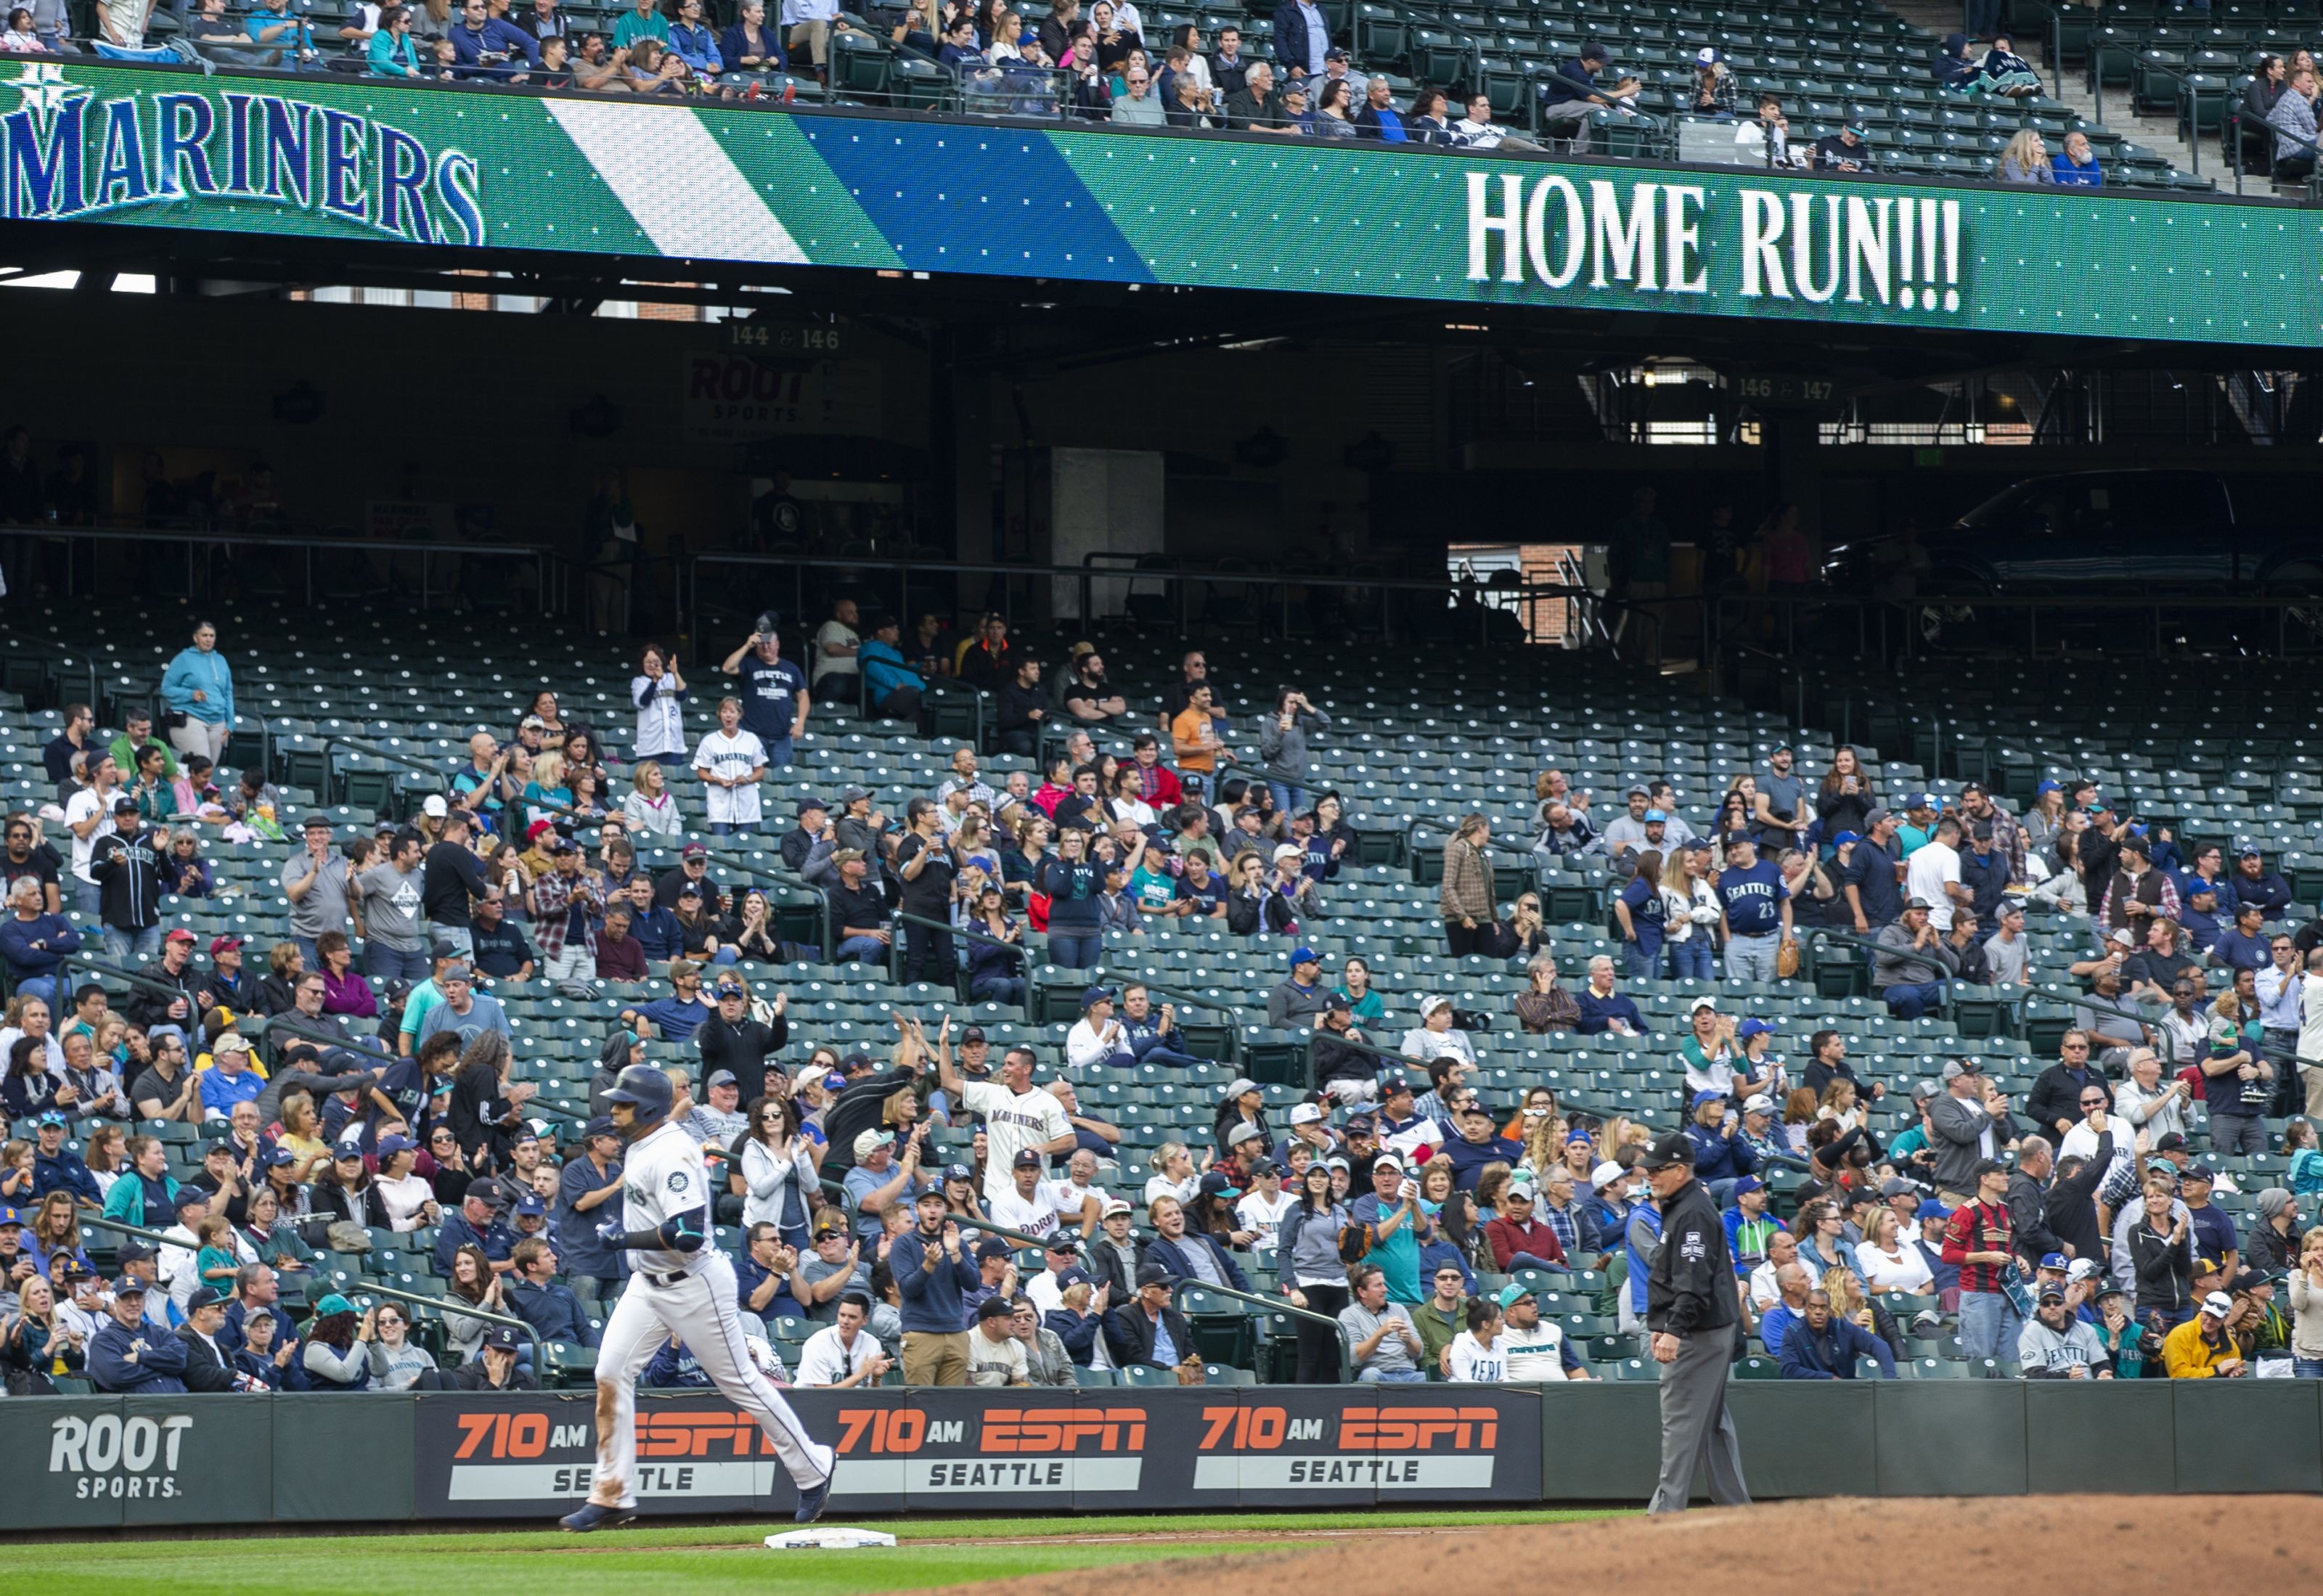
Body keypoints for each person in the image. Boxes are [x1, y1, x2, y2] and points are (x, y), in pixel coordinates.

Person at [559, 1065, 835, 1531]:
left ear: (647, 1109)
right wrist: (626, 1237)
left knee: (741, 1383)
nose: (615, 1110)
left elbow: (687, 1234)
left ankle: (813, 1467)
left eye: (624, 1103)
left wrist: (624, 1240)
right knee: (610, 1371)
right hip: (648, 1283)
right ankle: (612, 1493)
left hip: (693, 1282)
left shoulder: (672, 1151)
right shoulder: (642, 1142)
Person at [1636, 1131, 1748, 1515]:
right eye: (1648, 1169)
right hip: (1707, 1328)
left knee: (1681, 1422)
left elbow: (1693, 1281)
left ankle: (1664, 1516)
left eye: (1657, 1169)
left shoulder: (1692, 1212)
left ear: (1680, 1171)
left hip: (1698, 1332)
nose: (1650, 1175)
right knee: (1712, 1424)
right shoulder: (1683, 1205)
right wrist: (1662, 1322)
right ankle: (1738, 1512)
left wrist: (1674, 1329)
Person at [1339, 1262, 1425, 1383]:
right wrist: (1380, 1334)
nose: (1385, 1289)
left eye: (1384, 1284)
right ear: (1362, 1292)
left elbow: (1418, 1354)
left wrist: (1409, 1340)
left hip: (1409, 1373)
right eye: (1378, 1285)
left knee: (1430, 1379)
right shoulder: (1349, 1315)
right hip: (1378, 1373)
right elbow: (1354, 1358)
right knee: (1370, 1374)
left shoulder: (1399, 1309)